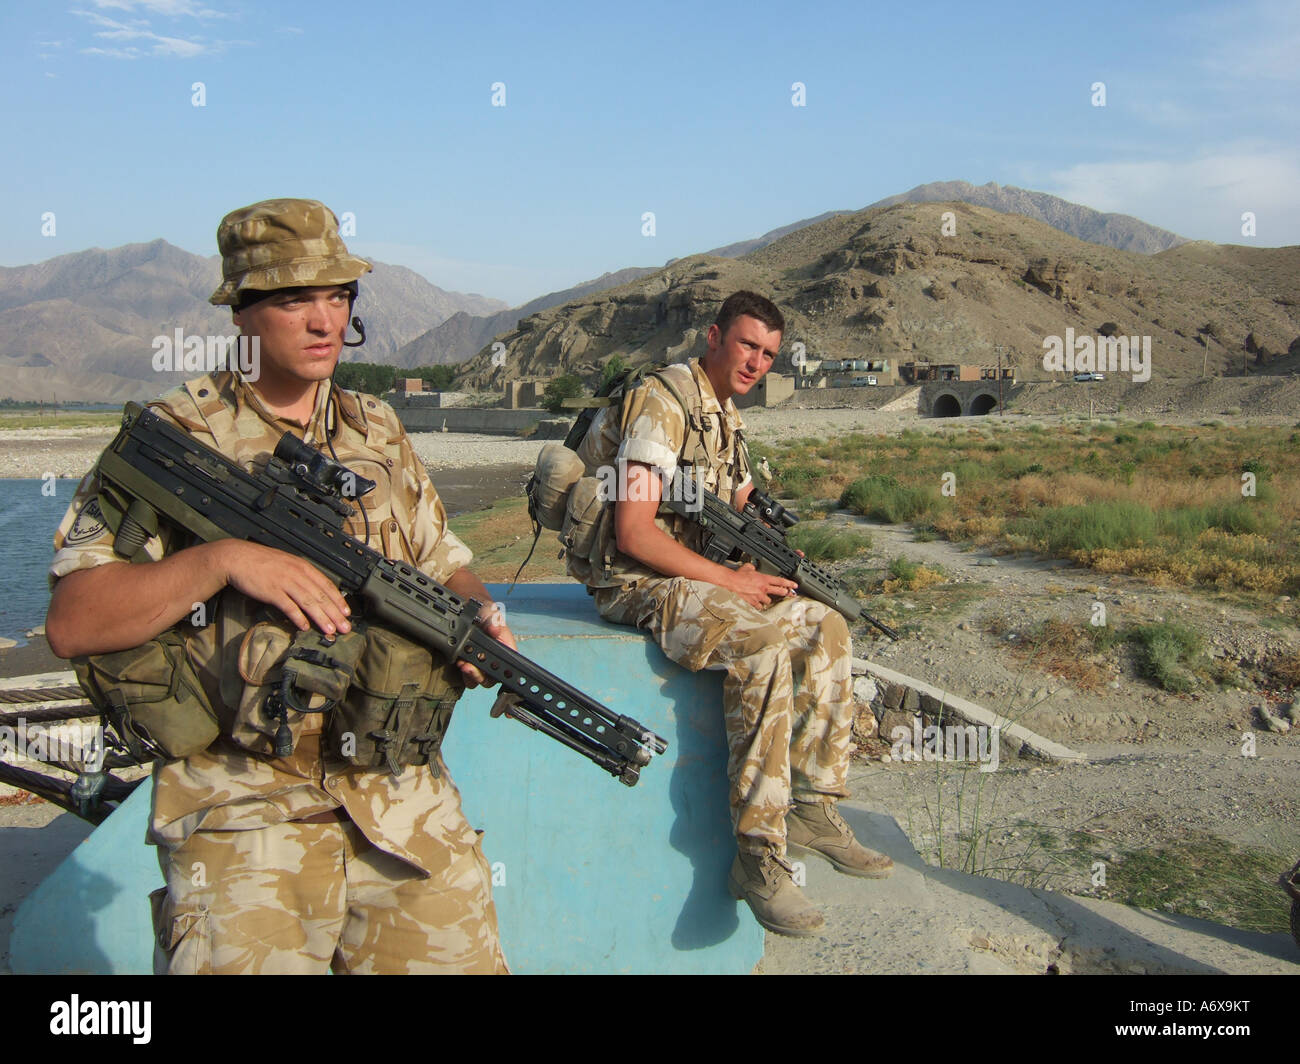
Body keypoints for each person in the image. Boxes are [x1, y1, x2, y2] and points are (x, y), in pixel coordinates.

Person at [45, 198, 512, 974]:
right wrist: (221, 560)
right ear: (243, 313)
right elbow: (73, 621)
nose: (325, 320)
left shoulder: (378, 431)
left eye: (339, 296)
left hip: (398, 794)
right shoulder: (176, 442)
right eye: (297, 299)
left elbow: (443, 562)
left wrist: (476, 608)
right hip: (242, 809)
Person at [572, 290, 893, 937]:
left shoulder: (726, 418)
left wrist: (773, 550)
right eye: (748, 345)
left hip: (697, 579)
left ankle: (812, 804)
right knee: (762, 638)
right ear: (714, 337)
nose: (757, 362)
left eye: (770, 354)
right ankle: (757, 854)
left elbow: (741, 501)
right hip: (636, 580)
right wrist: (732, 579)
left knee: (825, 624)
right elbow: (634, 532)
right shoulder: (664, 402)